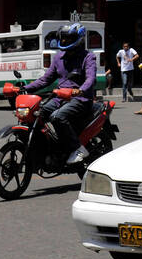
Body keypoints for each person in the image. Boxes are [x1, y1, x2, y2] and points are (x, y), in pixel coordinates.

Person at [25, 23, 97, 166]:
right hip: (59, 98)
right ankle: (48, 148)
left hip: (80, 99)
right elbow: (45, 79)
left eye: (68, 38)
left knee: (57, 116)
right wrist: (24, 88)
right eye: (62, 38)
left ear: (78, 39)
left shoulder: (88, 57)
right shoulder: (58, 57)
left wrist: (80, 90)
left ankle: (77, 149)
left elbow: (91, 78)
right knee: (36, 113)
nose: (64, 41)